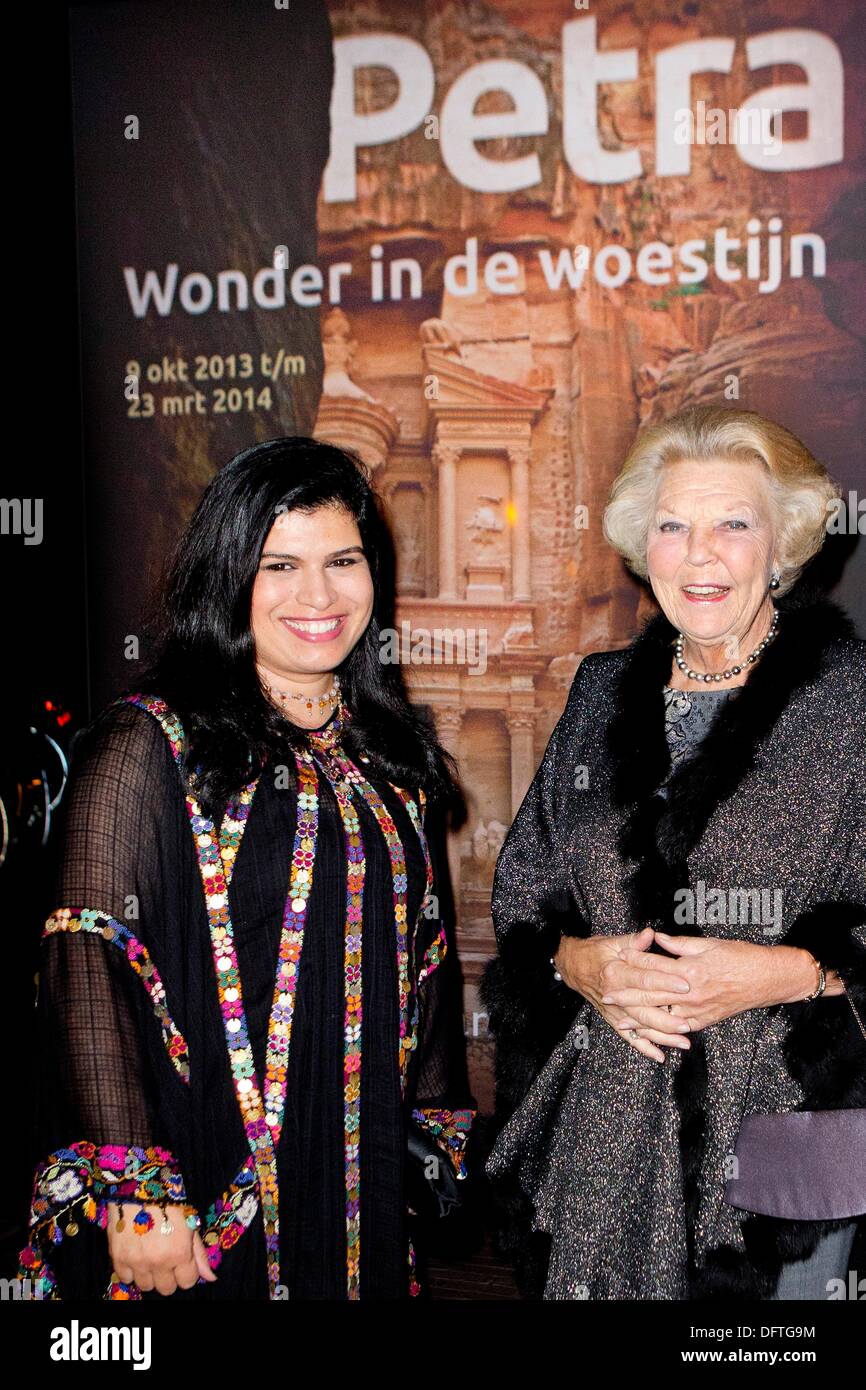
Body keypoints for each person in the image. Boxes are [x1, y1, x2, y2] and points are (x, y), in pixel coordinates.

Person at [18, 437, 474, 1300]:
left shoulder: (393, 756)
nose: (318, 596)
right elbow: (86, 950)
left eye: (343, 561)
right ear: (229, 576)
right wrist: (137, 1188)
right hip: (196, 1198)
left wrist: (430, 1122)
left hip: (354, 1184)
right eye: (280, 566)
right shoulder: (151, 740)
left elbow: (428, 957)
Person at [482, 406, 866, 1300]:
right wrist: (576, 962)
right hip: (608, 1128)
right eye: (672, 526)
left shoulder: (851, 699)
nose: (699, 556)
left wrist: (785, 975)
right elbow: (524, 890)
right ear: (640, 545)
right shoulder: (599, 690)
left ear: (782, 543)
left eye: (733, 523)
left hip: (790, 1129)